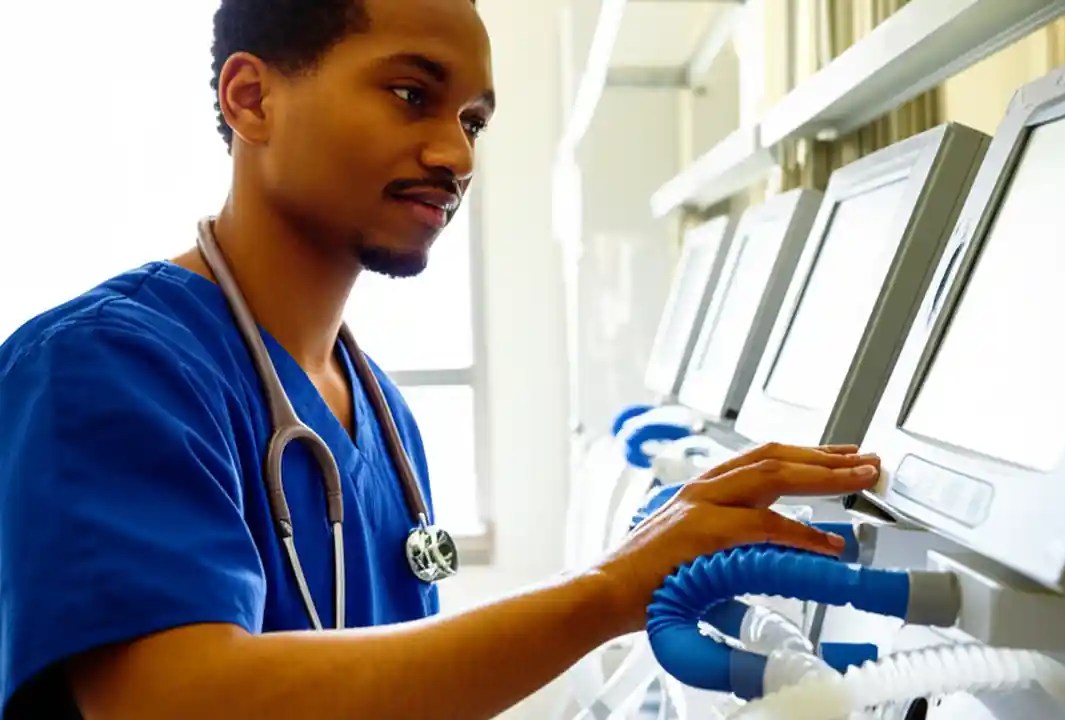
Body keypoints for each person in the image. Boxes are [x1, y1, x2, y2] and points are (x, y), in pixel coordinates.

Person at [0, 0, 881, 717]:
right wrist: (609, 590)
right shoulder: (100, 370)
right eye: (410, 95)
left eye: (472, 121)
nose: (456, 155)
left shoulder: (384, 420)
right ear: (252, 99)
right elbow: (172, 703)